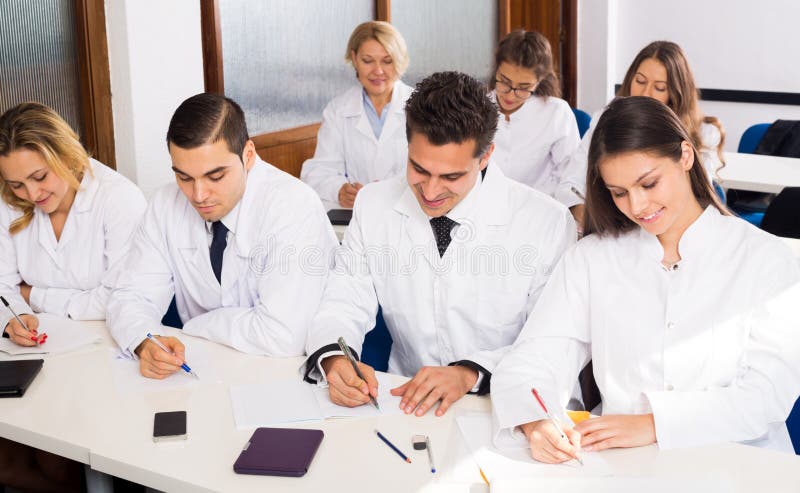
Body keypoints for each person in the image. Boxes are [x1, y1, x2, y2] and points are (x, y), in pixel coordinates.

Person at [491, 97, 800, 463]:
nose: (636, 206)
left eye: (649, 184)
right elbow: (533, 357)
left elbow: (766, 398)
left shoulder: (767, 258)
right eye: (619, 193)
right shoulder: (593, 258)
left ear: (686, 156)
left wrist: (654, 424)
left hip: (741, 465)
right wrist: (536, 421)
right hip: (622, 468)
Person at [303, 72, 576, 417]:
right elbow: (344, 299)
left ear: (487, 155)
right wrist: (335, 356)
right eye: (418, 169)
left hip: (509, 406)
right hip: (406, 405)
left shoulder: (546, 223)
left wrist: (469, 372)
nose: (430, 192)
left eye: (451, 177)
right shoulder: (373, 204)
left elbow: (553, 341)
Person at [107, 93, 337, 378]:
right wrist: (145, 340)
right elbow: (130, 296)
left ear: (248, 155)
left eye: (215, 177)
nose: (199, 195)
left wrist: (194, 327)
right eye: (184, 177)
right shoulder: (165, 204)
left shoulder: (292, 206)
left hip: (280, 376)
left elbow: (284, 335)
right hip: (200, 371)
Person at [0, 101, 146, 345]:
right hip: (42, 347)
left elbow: (119, 300)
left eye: (40, 177)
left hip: (111, 344)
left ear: (66, 155)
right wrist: (14, 317)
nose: (33, 194)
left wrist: (31, 295)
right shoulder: (9, 201)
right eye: (17, 185)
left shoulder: (119, 198)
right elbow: (2, 288)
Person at [569, 40, 725, 208]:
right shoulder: (605, 120)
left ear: (676, 94)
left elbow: (699, 201)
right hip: (611, 226)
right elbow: (571, 185)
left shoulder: (704, 134)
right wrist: (586, 217)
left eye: (659, 88)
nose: (645, 93)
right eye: (640, 81)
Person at [301, 21, 413, 210]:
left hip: (408, 211)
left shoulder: (421, 107)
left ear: (399, 60)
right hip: (357, 215)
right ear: (354, 58)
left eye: (387, 61)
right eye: (367, 61)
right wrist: (339, 190)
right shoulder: (338, 110)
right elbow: (318, 172)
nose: (378, 71)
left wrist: (392, 190)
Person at [489, 30, 582, 223]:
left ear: (539, 81)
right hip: (486, 214)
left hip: (541, 215)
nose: (510, 95)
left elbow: (572, 175)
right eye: (504, 82)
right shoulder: (475, 108)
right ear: (496, 69)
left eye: (523, 88)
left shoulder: (555, 113)